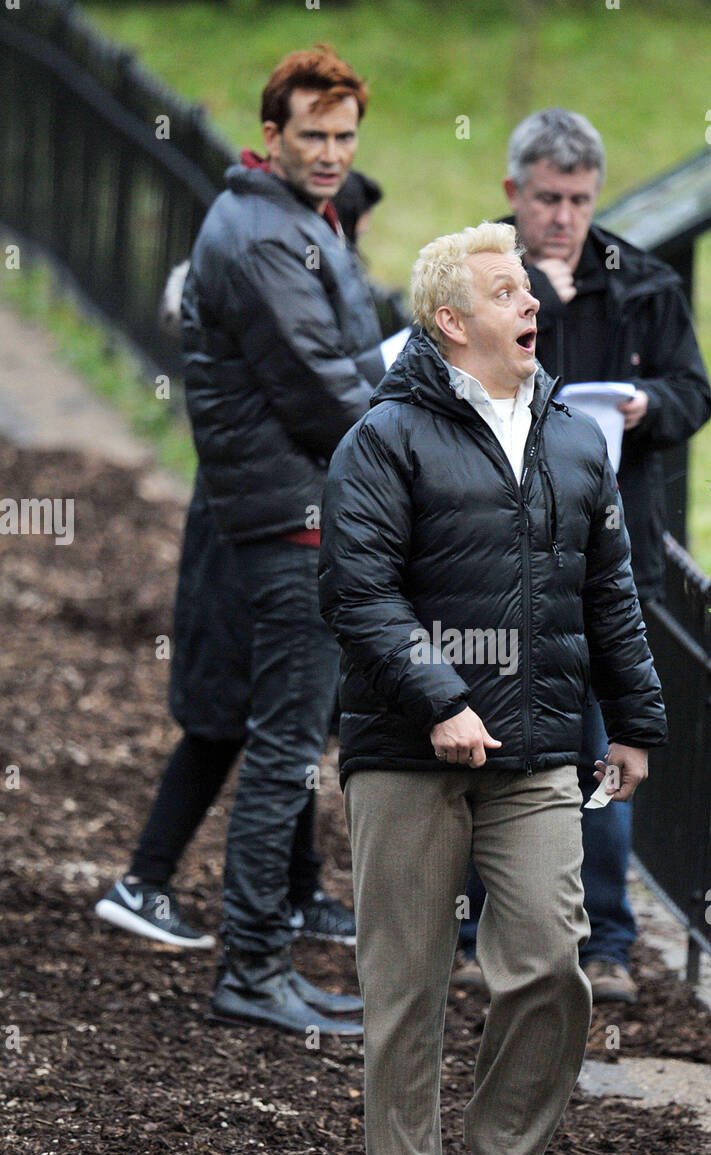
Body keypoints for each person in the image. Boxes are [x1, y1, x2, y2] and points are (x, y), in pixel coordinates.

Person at [318, 222, 667, 1155]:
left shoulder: (570, 439)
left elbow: (609, 591)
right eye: (507, 292)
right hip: (405, 750)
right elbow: (357, 590)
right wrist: (437, 696)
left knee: (552, 964)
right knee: (407, 976)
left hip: (534, 752)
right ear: (449, 321)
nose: (533, 306)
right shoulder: (381, 438)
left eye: (529, 290)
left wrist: (636, 721)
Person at [94, 156, 388, 971]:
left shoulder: (259, 274)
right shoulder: (267, 286)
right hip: (247, 543)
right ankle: (148, 879)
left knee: (274, 722)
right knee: (241, 723)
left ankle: (293, 890)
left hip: (250, 530)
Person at [454, 109, 711, 1005]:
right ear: (512, 193)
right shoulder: (478, 282)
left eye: (577, 199)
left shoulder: (640, 284)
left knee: (603, 750)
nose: (562, 216)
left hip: (608, 555)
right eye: (546, 198)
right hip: (493, 556)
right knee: (487, 745)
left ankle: (603, 939)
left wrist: (646, 408)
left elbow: (694, 391)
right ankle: (473, 926)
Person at [177, 45, 386, 1036]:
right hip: (291, 523)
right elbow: (318, 385)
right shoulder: (263, 236)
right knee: (284, 754)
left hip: (291, 511)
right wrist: (421, 454)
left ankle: (262, 966)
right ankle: (250, 970)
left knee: (286, 749)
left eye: (345, 136)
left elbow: (336, 363)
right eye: (314, 134)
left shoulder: (288, 216)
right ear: (271, 136)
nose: (333, 153)